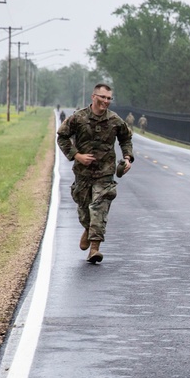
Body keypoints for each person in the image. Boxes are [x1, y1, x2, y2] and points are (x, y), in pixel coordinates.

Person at [56, 83, 134, 264]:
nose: (106, 101)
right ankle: (88, 228)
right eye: (102, 97)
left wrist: (128, 158)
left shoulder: (115, 120)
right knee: (85, 212)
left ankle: (94, 249)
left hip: (105, 174)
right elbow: (62, 136)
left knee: (99, 209)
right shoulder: (78, 118)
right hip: (82, 175)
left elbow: (126, 138)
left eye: (109, 98)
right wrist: (77, 155)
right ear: (93, 97)